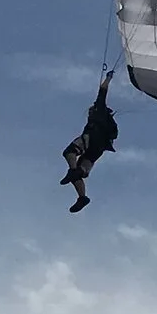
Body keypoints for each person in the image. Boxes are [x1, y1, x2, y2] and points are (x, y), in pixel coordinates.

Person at [60, 72, 118, 212]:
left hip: (91, 138)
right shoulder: (109, 125)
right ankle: (82, 197)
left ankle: (73, 171)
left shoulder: (99, 110)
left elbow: (102, 91)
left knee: (69, 152)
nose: (89, 111)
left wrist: (108, 78)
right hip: (99, 149)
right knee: (79, 172)